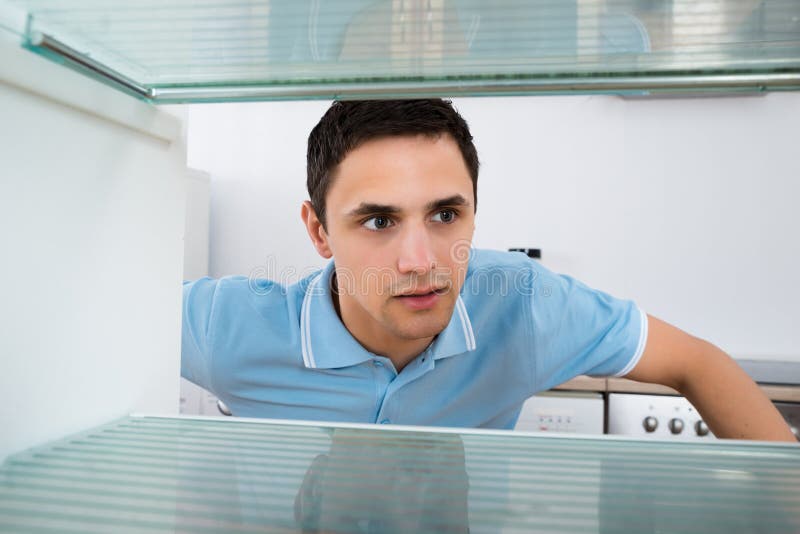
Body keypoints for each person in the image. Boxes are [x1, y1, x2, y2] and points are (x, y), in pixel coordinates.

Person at [182, 99, 794, 441]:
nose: (421, 262)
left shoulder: (523, 305)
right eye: (379, 221)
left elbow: (696, 362)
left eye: (445, 214)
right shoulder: (229, 326)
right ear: (319, 231)